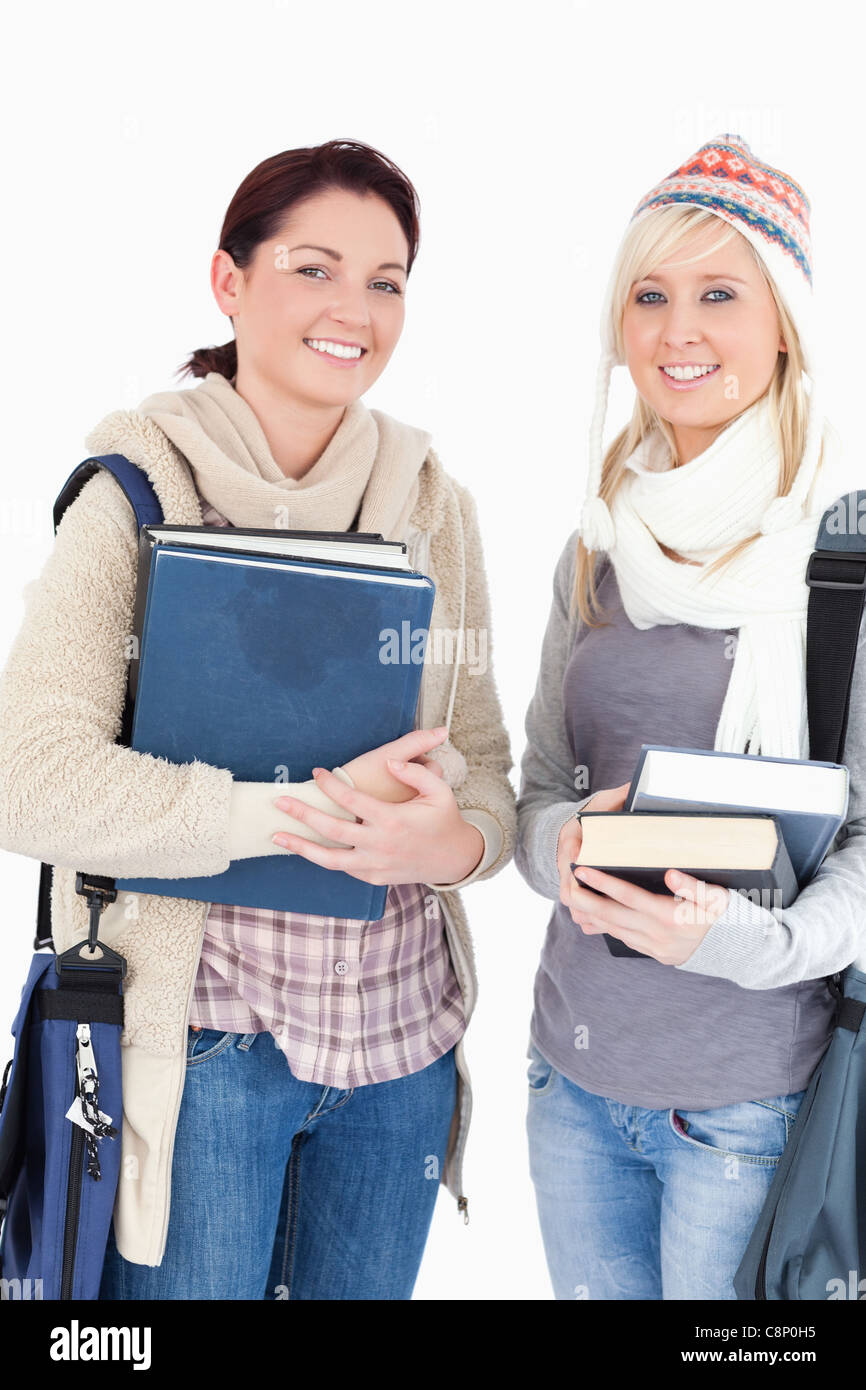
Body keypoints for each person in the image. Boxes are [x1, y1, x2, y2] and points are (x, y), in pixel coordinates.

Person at [0, 138, 515, 1299]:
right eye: (315, 268)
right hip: (205, 1052)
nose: (356, 310)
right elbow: (28, 775)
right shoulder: (136, 492)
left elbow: (480, 760)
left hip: (399, 1058)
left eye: (386, 281)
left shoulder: (436, 505)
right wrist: (292, 817)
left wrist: (459, 840)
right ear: (229, 283)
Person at [514, 133, 866, 1300]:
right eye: (648, 295)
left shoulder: (842, 559)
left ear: (783, 328)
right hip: (569, 1077)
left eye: (718, 293)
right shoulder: (597, 539)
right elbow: (540, 784)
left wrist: (736, 943)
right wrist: (554, 844)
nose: (677, 331)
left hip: (746, 1105)